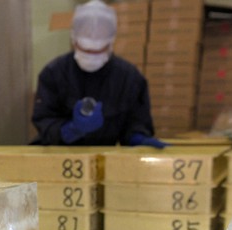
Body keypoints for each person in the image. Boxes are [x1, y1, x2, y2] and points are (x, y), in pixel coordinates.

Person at [31, 0, 166, 148]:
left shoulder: (129, 78)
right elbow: (43, 120)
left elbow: (137, 121)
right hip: (60, 156)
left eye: (98, 51)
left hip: (105, 156)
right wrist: (70, 130)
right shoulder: (54, 74)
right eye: (86, 50)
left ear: (110, 44)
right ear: (74, 41)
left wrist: (138, 138)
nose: (91, 56)